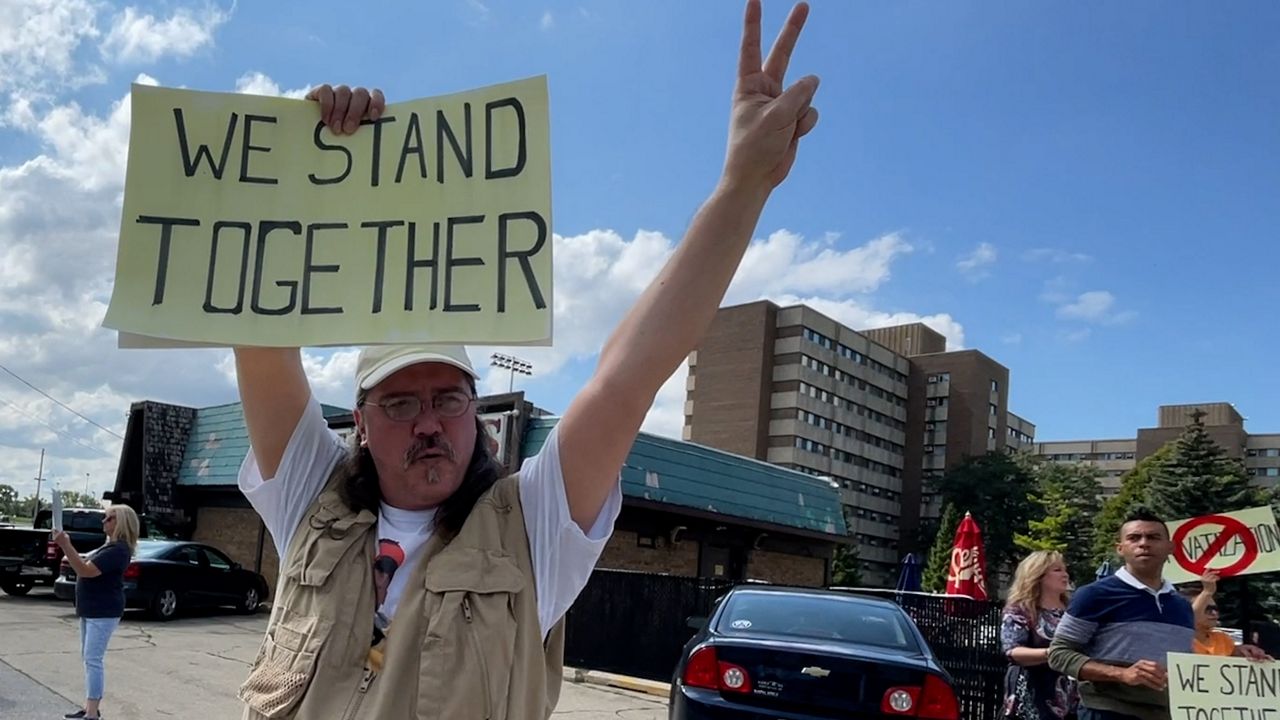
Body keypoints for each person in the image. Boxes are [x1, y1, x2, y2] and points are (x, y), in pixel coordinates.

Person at [231, 2, 821, 719]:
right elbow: (256, 324)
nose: (428, 422)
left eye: (449, 398)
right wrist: (305, 159)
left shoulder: (533, 530)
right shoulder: (310, 500)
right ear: (360, 421)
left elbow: (627, 377)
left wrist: (742, 185)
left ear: (476, 412)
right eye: (400, 402)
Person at [1047, 509, 1195, 720]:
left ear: (1170, 548)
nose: (1144, 543)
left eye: (1153, 537)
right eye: (1134, 538)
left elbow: (1188, 665)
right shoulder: (1094, 595)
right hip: (1107, 712)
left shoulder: (1182, 606)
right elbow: (1059, 654)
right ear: (1120, 548)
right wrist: (1122, 674)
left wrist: (1235, 657)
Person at [52, 504, 141, 720]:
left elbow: (85, 570)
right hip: (93, 609)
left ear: (121, 523)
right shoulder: (109, 547)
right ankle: (90, 707)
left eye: (109, 518)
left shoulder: (117, 550)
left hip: (103, 611)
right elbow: (83, 563)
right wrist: (67, 546)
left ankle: (92, 713)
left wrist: (65, 545)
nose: (103, 521)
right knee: (89, 657)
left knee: (93, 659)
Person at [1002, 550, 1078, 719]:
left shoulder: (1073, 609)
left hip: (1071, 692)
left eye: (1065, 570)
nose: (1065, 575)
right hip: (1033, 689)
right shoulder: (1020, 610)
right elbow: (1012, 651)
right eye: (1057, 570)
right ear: (1038, 576)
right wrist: (1053, 654)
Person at [1186, 571, 1272, 660]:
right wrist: (1207, 592)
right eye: (1207, 609)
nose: (1214, 613)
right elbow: (1189, 618)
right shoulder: (1180, 640)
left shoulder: (1222, 639)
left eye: (1215, 608)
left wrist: (1253, 656)